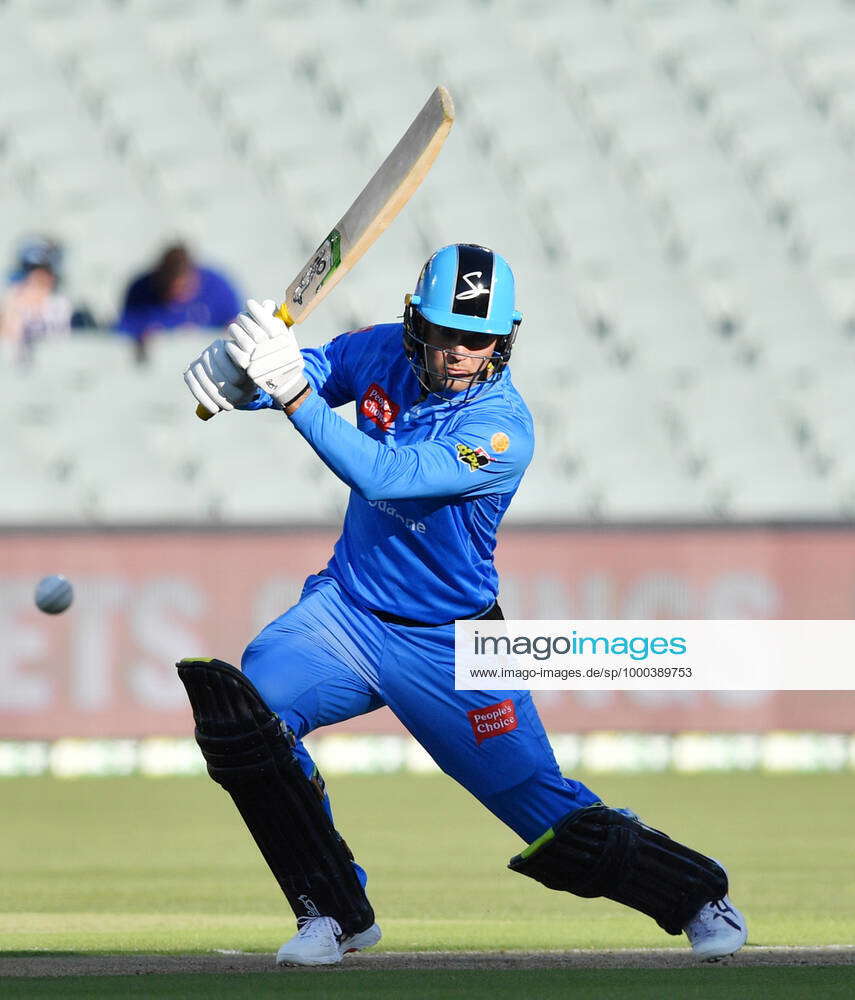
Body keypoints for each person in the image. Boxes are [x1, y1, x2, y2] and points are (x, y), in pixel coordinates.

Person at [180, 244, 748, 967]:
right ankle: (332, 911)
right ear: (416, 323)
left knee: (542, 812)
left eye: (476, 339)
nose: (458, 352)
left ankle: (697, 895)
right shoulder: (384, 351)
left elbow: (382, 476)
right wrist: (245, 380)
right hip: (347, 613)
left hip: (452, 644)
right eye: (445, 333)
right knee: (247, 717)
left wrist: (288, 394)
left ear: (502, 340)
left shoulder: (501, 430)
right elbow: (316, 370)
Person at [117, 243, 240, 362]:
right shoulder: (140, 291)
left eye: (183, 287)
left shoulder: (219, 289)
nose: (177, 294)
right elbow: (125, 330)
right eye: (169, 288)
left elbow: (235, 324)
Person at [0, 236, 71, 366]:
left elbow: (62, 341)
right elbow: (8, 337)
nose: (39, 278)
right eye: (33, 271)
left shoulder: (60, 304)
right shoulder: (13, 300)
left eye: (46, 272)